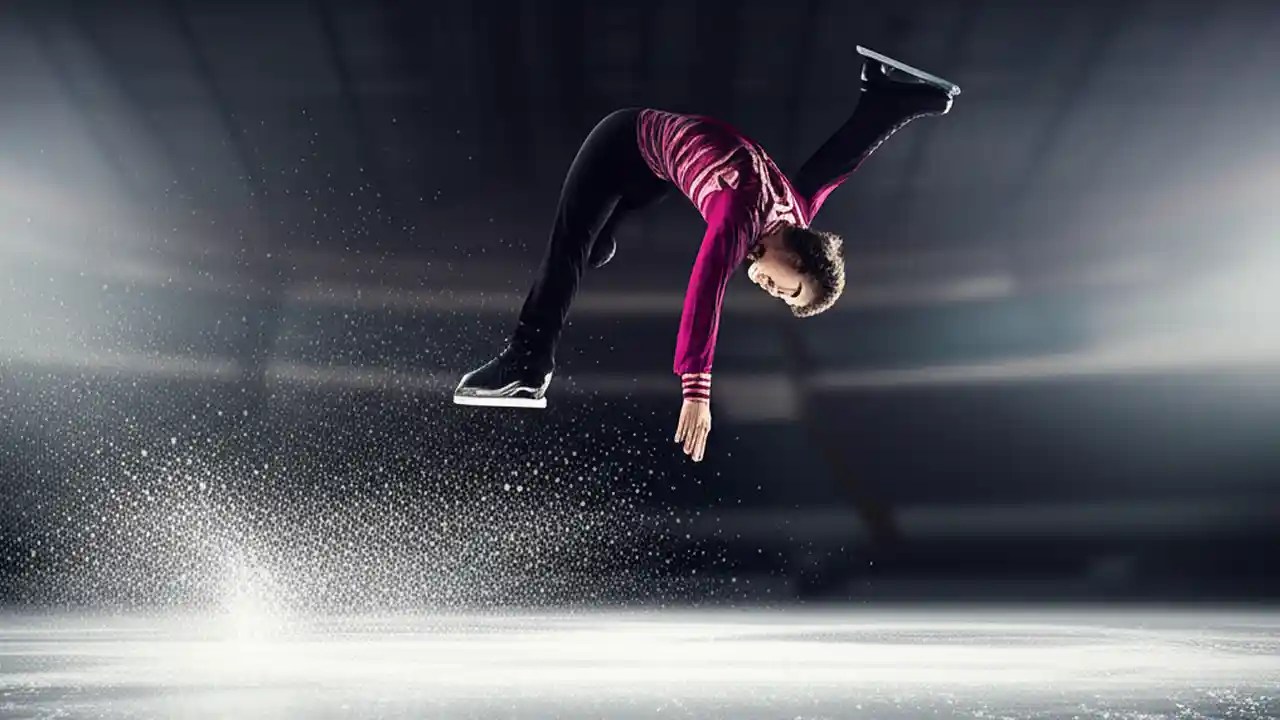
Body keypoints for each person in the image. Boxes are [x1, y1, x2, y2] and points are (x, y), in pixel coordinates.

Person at [454, 46, 960, 462]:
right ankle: (527, 363)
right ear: (797, 259)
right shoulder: (741, 212)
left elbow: (838, 163)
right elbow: (706, 284)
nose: (770, 289)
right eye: (786, 290)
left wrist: (888, 111)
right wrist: (696, 390)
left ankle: (885, 98)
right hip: (622, 141)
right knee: (570, 246)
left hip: (656, 175)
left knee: (594, 246)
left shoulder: (796, 210)